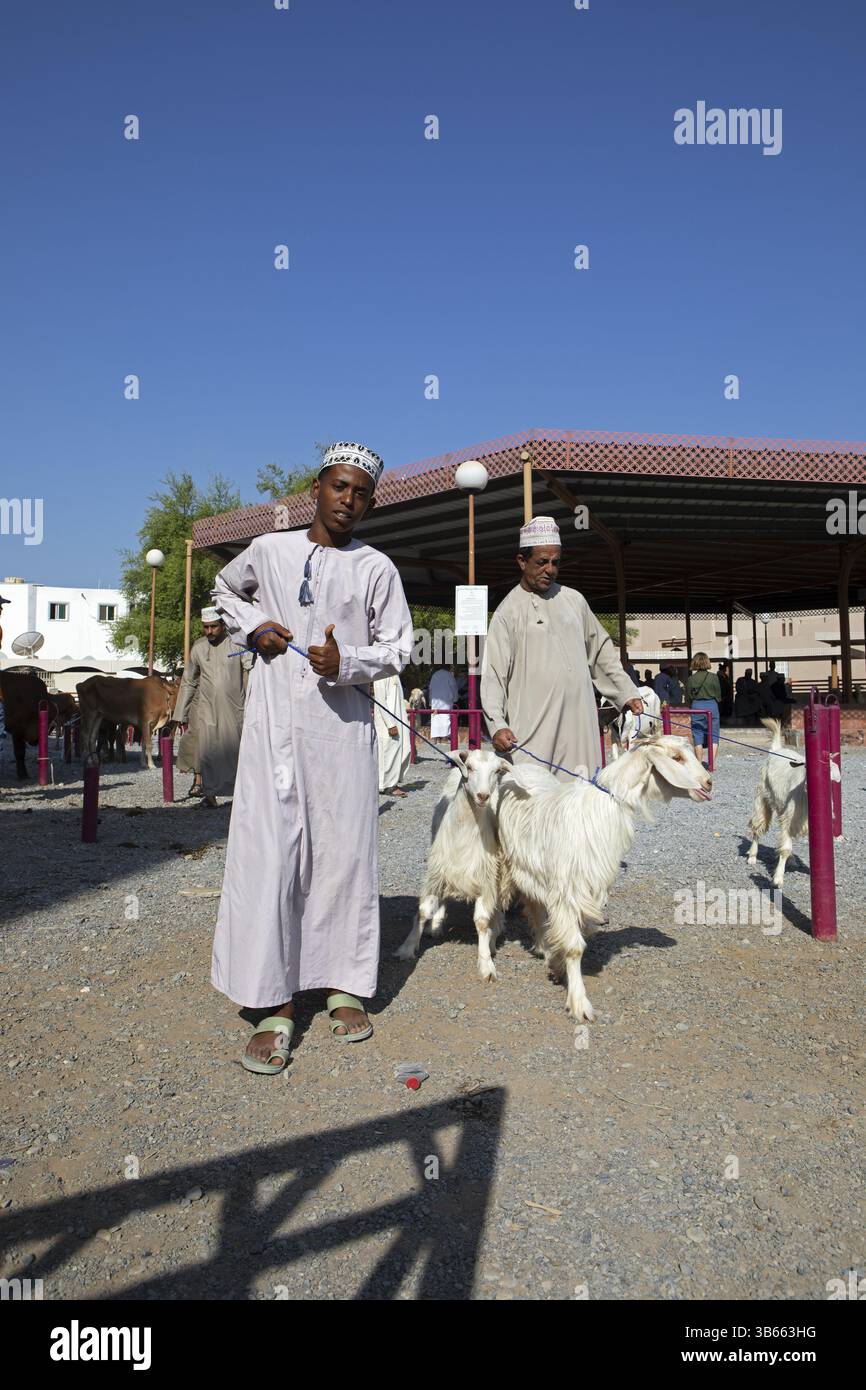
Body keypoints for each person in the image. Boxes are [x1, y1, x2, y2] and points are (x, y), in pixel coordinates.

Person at [210, 442, 412, 1074]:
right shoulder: (270, 551)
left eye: (361, 493)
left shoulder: (377, 567)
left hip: (342, 733)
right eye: (339, 488)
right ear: (317, 488)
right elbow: (223, 589)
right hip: (274, 731)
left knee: (342, 856)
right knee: (274, 858)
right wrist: (256, 629)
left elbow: (400, 647)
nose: (348, 501)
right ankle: (273, 1002)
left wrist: (345, 661)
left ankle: (343, 985)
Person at [481, 516, 643, 783]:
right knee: (534, 805)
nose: (550, 569)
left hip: (579, 727)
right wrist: (498, 724)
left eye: (555, 562)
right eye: (542, 562)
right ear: (522, 562)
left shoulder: (574, 601)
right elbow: (493, 677)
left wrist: (626, 692)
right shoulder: (507, 612)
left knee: (581, 800)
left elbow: (600, 652)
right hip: (532, 731)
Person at [171, 608, 249, 807]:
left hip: (235, 707)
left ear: (222, 625)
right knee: (207, 751)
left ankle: (240, 796)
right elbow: (189, 680)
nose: (210, 631)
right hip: (206, 707)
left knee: (236, 750)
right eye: (206, 627)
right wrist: (181, 712)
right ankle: (210, 796)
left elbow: (250, 672)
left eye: (213, 627)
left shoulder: (238, 644)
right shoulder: (198, 648)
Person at [373, 672, 410, 798]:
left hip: (400, 719)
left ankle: (393, 782)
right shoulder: (380, 674)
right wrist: (390, 724)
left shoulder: (394, 673)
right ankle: (387, 785)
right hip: (387, 722)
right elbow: (380, 700)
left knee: (404, 750)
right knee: (388, 753)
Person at [686, 652, 721, 767]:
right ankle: (711, 764)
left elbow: (689, 697)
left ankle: (699, 764)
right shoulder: (714, 677)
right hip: (712, 706)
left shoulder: (691, 679)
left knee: (697, 734)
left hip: (696, 706)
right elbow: (718, 695)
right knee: (714, 735)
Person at [429, 664, 458, 742]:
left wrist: (430, 701)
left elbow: (430, 688)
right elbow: (453, 687)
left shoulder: (434, 675)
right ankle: (444, 738)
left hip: (435, 700)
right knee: (445, 718)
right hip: (446, 700)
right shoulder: (449, 675)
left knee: (435, 718)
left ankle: (435, 738)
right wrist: (455, 698)